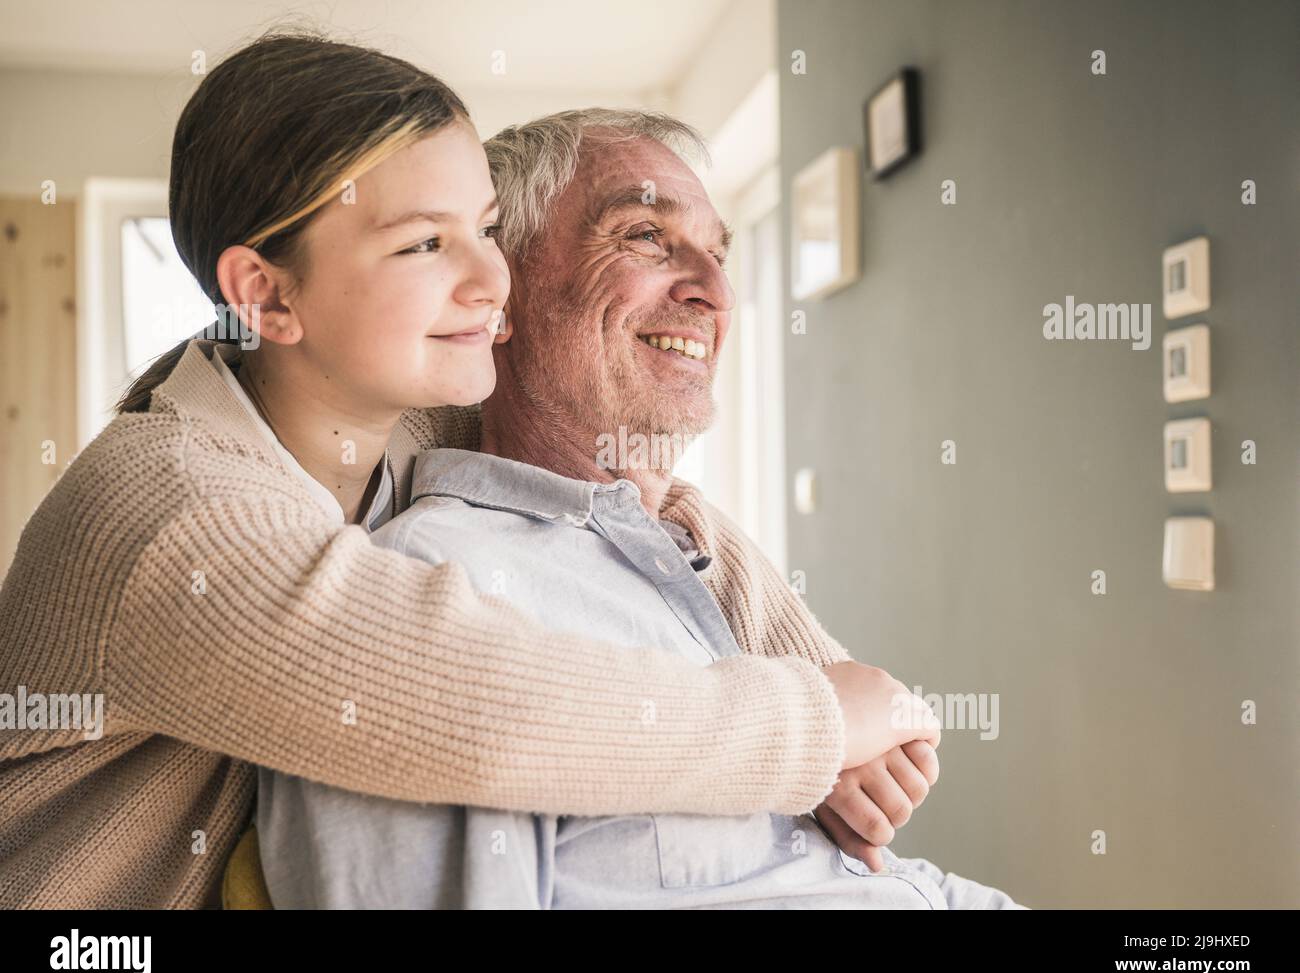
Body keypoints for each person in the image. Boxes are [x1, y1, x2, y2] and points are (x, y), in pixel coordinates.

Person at [0, 34, 911, 909]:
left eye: (485, 228)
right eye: (424, 244)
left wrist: (833, 679)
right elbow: (488, 707)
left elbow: (619, 495)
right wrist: (815, 724)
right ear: (267, 294)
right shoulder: (175, 511)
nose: (493, 279)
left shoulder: (387, 412)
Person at [253, 109, 1025, 909]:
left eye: (719, 254)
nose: (715, 292)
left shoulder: (688, 565)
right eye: (645, 236)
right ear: (497, 295)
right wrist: (826, 718)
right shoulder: (434, 591)